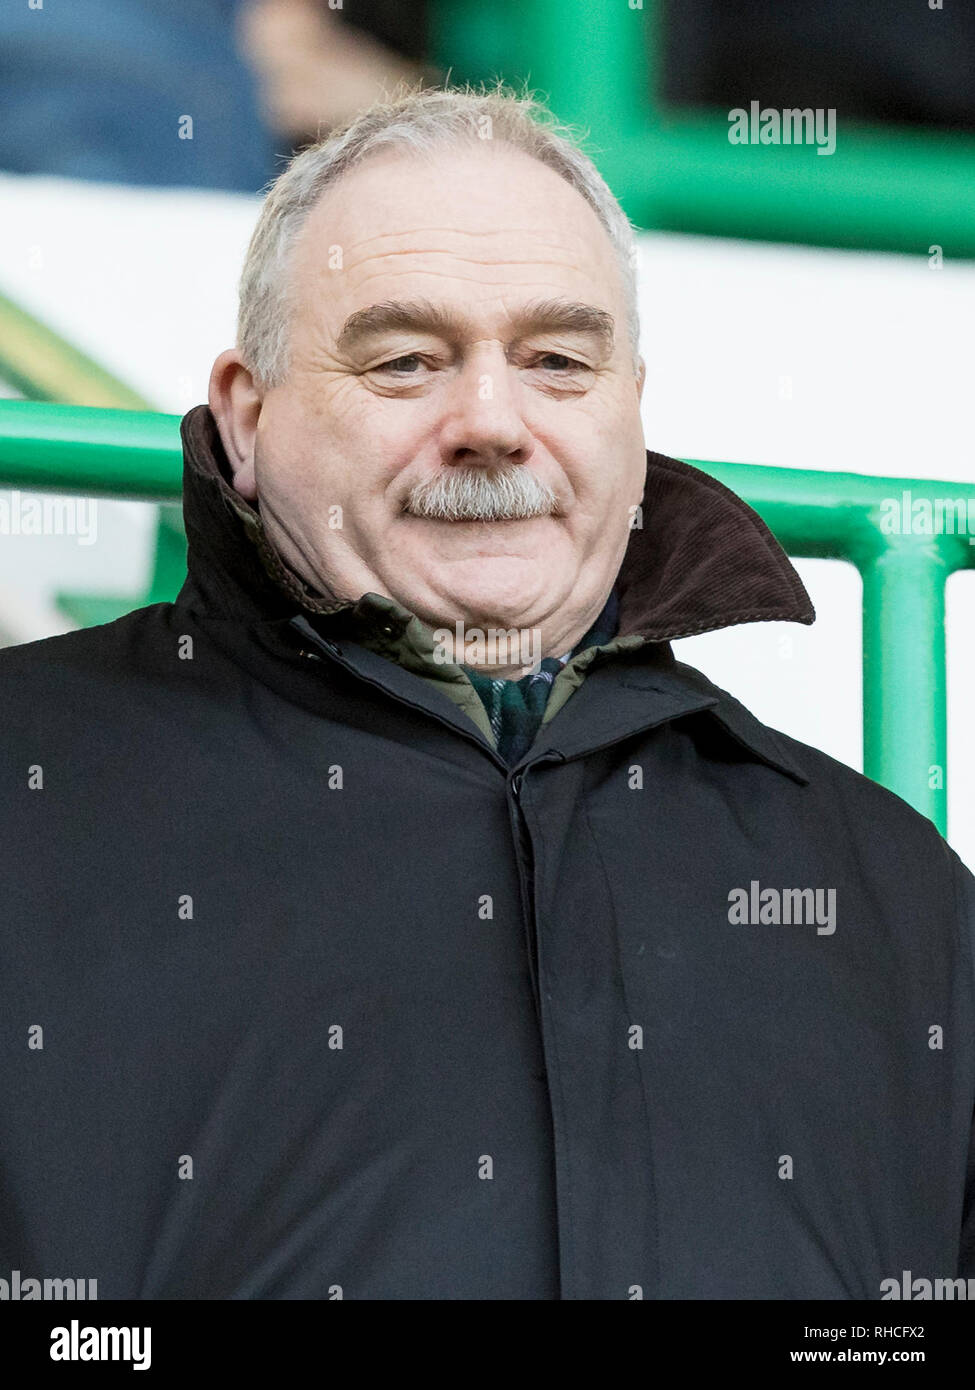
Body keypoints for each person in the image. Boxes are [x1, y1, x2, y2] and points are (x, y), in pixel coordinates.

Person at [1, 83, 972, 1300]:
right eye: (406, 360)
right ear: (248, 419)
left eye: (558, 361)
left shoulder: (883, 885)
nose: (492, 422)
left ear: (631, 410)